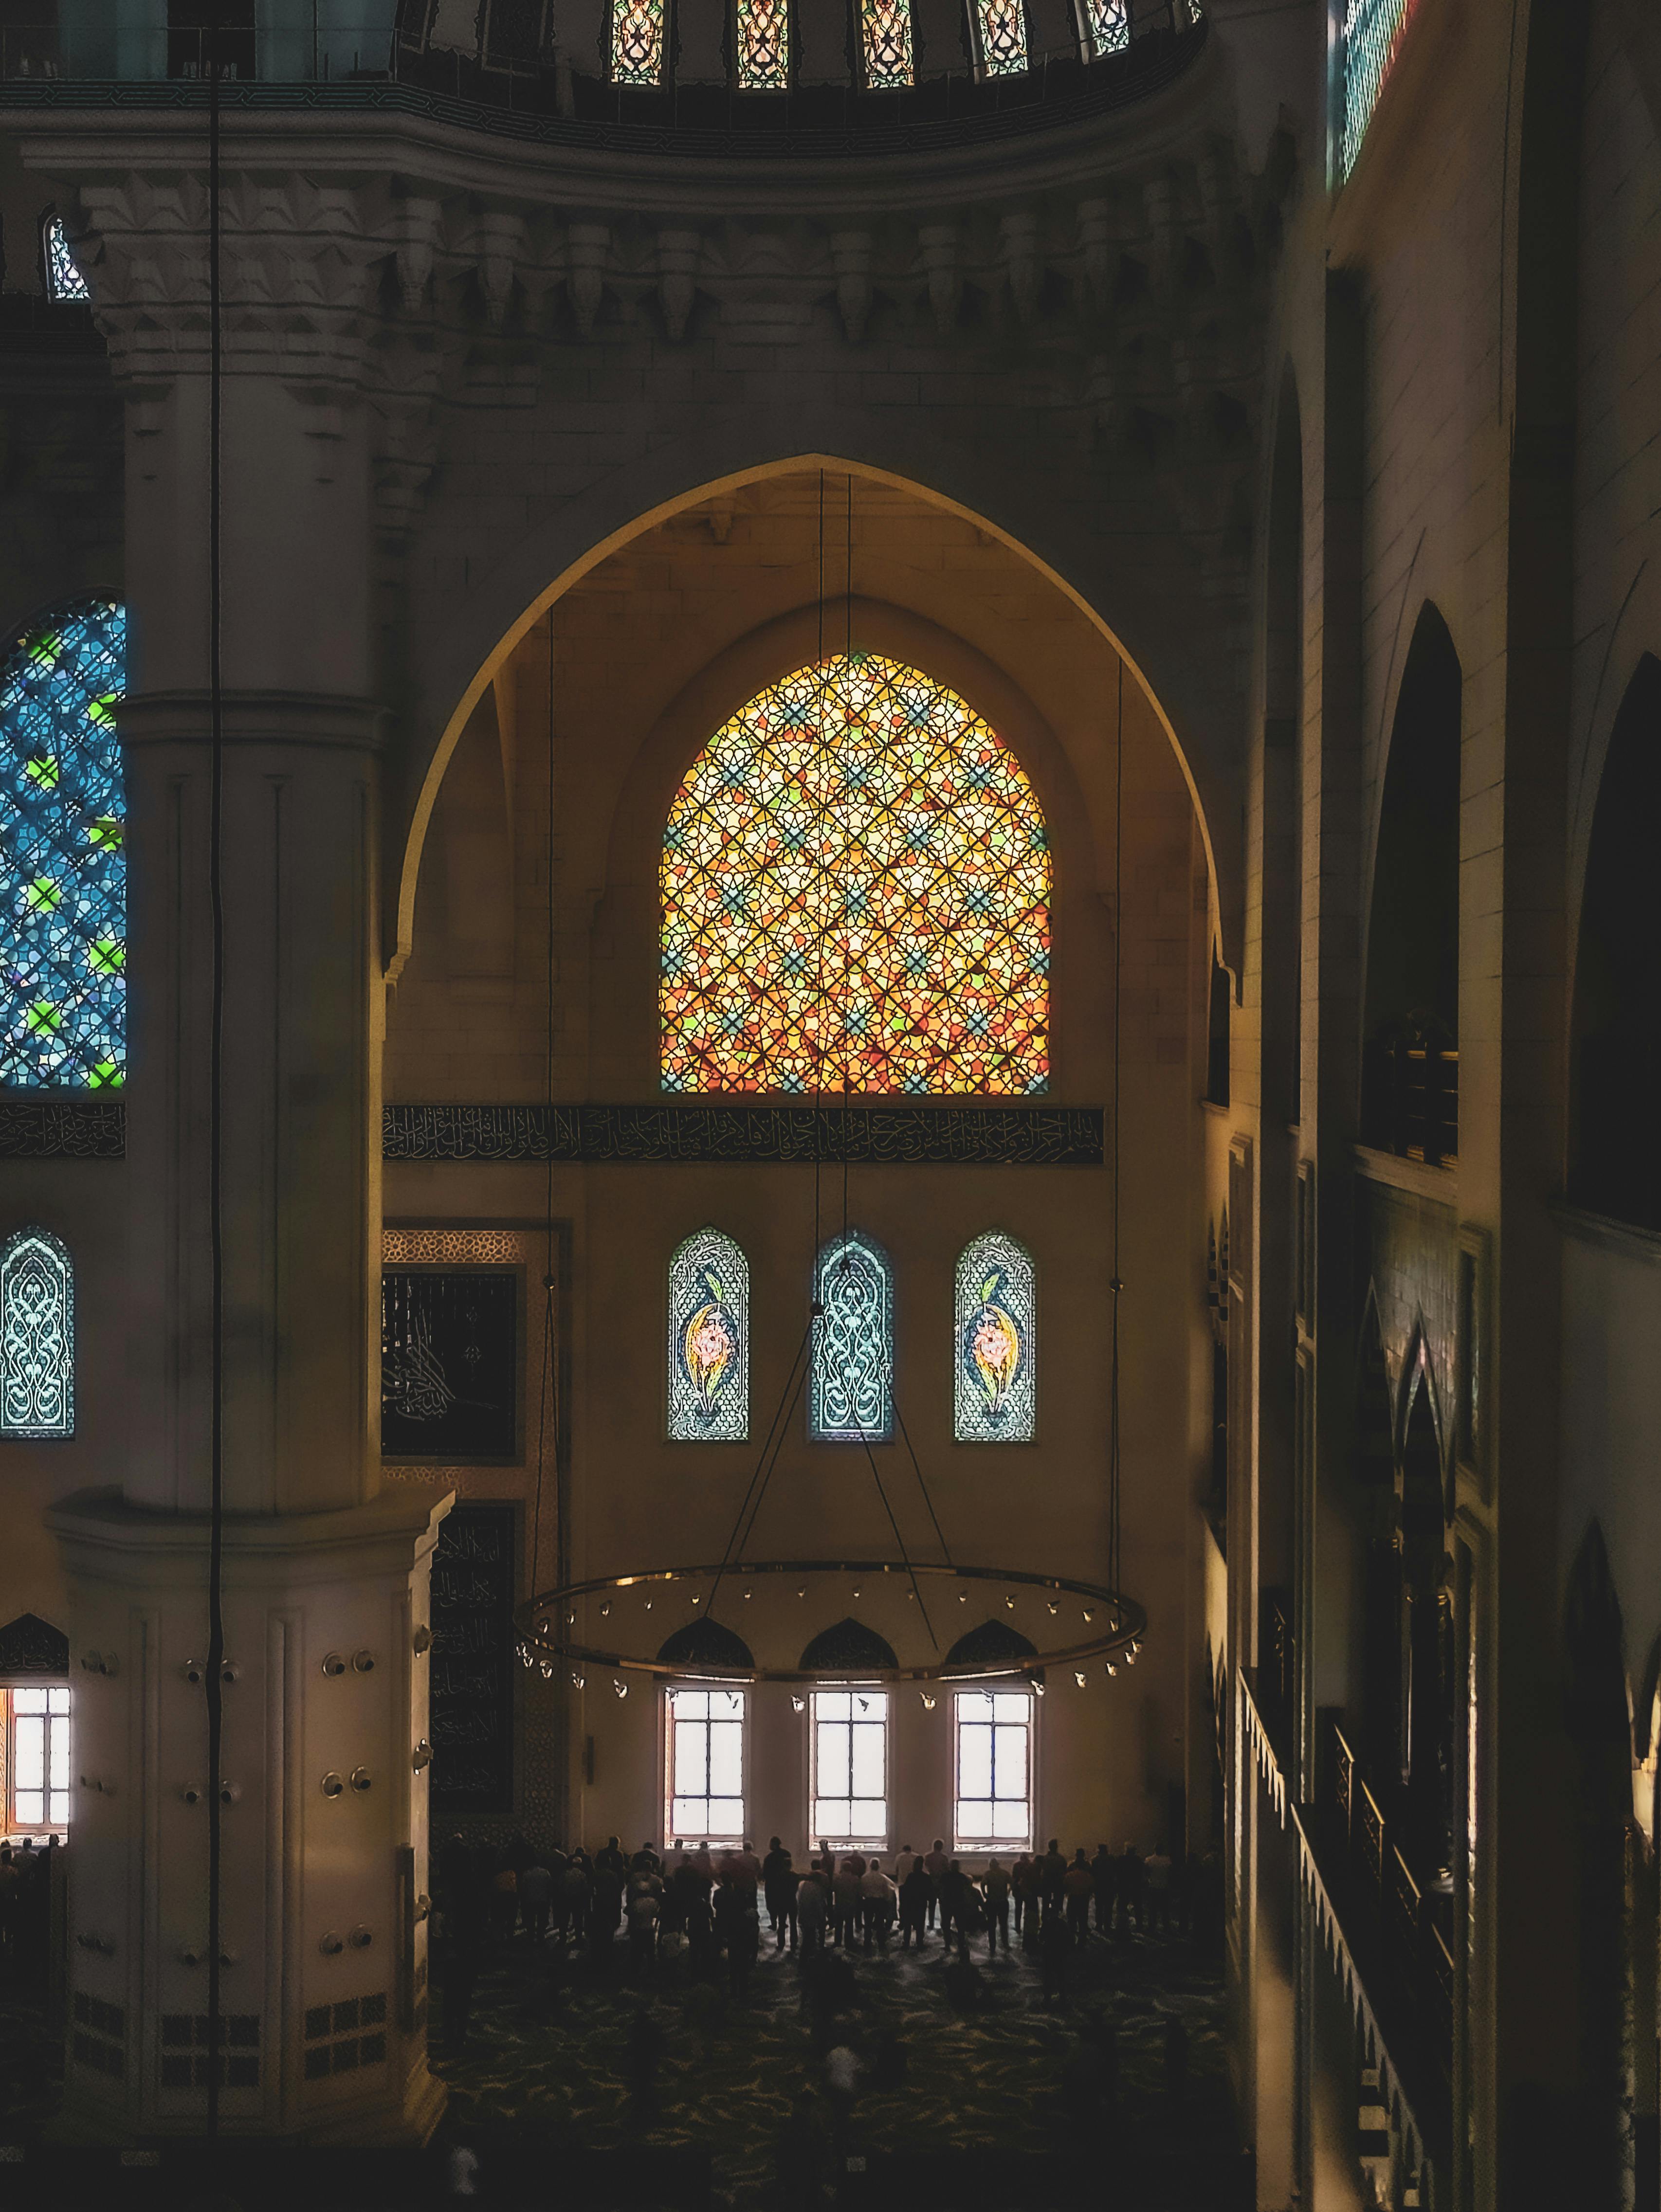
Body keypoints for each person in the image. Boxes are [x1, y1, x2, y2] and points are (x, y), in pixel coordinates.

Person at [859, 1857, 895, 1950]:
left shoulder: (864, 1878)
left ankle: (867, 1942)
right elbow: (886, 1892)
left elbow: (862, 1891)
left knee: (868, 1923)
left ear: (870, 1866)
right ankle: (881, 1943)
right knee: (880, 1923)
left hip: (868, 1902)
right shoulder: (883, 1878)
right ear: (879, 1866)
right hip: (879, 1902)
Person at [1063, 1848, 1094, 1951]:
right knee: (1083, 1920)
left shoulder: (1071, 1871)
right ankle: (1082, 1941)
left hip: (1073, 1898)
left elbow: (1065, 1886)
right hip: (1084, 1898)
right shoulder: (1088, 1873)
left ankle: (1071, 1940)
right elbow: (1091, 1886)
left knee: (1071, 1920)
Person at [627, 1880, 660, 1975]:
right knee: (651, 1954)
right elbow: (656, 1914)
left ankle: (636, 1974)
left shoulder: (636, 1903)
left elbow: (630, 1913)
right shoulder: (653, 1902)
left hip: (638, 1930)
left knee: (637, 1954)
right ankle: (651, 1974)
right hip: (649, 1929)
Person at [1114, 1842, 1146, 1939]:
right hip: (1136, 1886)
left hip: (1124, 1886)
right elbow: (1142, 1872)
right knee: (1138, 1907)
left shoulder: (1121, 1859)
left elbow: (1117, 1873)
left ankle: (1121, 1926)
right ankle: (1139, 1926)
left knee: (1122, 1907)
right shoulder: (1138, 1860)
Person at [1040, 1903, 1070, 2004]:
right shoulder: (1063, 1924)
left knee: (1048, 1976)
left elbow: (1041, 1938)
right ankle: (1063, 1997)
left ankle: (1047, 1997)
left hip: (1049, 1952)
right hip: (1060, 1953)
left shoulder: (1047, 1924)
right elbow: (1068, 1939)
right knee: (1061, 1975)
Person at [796, 1867, 828, 1958]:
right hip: (811, 1917)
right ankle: (807, 1960)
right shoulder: (817, 1888)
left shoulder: (803, 1884)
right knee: (810, 1940)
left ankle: (804, 1957)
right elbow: (818, 1905)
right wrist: (822, 1918)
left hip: (802, 1914)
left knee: (806, 1938)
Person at [898, 1858, 930, 1950]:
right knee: (920, 1925)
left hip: (911, 1903)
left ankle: (906, 1944)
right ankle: (920, 1944)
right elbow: (929, 1892)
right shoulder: (926, 1877)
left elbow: (907, 1890)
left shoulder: (911, 1876)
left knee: (908, 1925)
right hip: (921, 1904)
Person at [519, 1857, 552, 1945]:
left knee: (531, 1920)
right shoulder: (546, 1873)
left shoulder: (527, 1874)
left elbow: (523, 1888)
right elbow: (549, 1886)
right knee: (542, 1920)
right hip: (543, 1900)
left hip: (530, 1900)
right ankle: (541, 1937)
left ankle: (531, 1938)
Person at [982, 1857, 1010, 1956]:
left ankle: (992, 1946)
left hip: (992, 1902)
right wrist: (1007, 1894)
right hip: (1002, 1901)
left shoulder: (988, 1874)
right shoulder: (1005, 1873)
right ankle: (1005, 1944)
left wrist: (985, 1895)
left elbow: (983, 1884)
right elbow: (1012, 1883)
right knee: (1003, 1925)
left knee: (991, 1926)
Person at [1145, 1839, 1174, 1936]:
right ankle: (1166, 1927)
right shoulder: (1167, 1860)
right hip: (1164, 1887)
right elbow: (1170, 1874)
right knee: (1165, 1910)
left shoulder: (1149, 1860)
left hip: (1153, 1886)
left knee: (1153, 1910)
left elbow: (1147, 1874)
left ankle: (1152, 1928)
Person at [1013, 1851, 1041, 1948]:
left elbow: (1014, 1879)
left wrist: (1014, 1889)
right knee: (1028, 1911)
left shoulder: (1017, 1866)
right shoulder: (1031, 1867)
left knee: (1018, 1908)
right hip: (1028, 1891)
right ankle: (1028, 1930)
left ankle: (1017, 1927)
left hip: (1019, 1890)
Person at [1091, 1842, 1117, 1938]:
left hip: (1099, 1886)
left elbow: (1092, 1874)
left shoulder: (1095, 1860)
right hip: (1109, 1886)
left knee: (1099, 1907)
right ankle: (1108, 1926)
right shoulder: (1112, 1859)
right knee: (1108, 1908)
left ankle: (1099, 1925)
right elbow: (1115, 1872)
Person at [923, 1839, 949, 1930]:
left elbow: (927, 1868)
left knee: (931, 1905)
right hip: (941, 1882)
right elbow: (947, 1870)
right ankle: (943, 1924)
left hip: (931, 1881)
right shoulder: (944, 1857)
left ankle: (931, 1924)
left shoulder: (928, 1856)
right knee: (943, 1904)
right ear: (941, 1847)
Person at [1039, 1838, 1067, 1922]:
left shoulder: (1045, 1859)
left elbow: (1043, 1871)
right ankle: (1057, 1919)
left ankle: (1045, 1919)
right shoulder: (1061, 1859)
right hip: (1058, 1883)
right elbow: (1064, 1870)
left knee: (1046, 1902)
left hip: (1047, 1882)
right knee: (1058, 1902)